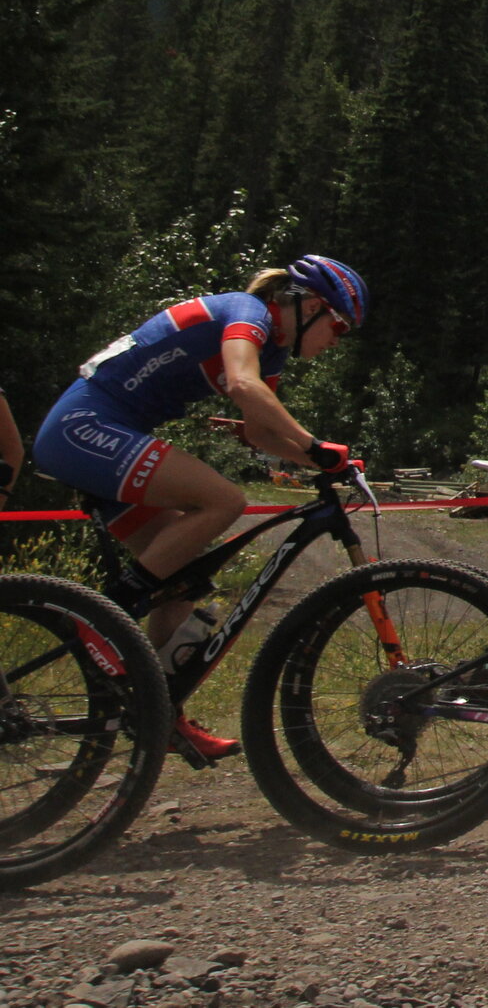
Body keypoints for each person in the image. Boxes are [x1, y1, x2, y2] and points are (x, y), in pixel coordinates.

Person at [31, 255, 369, 761]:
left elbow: (259, 432)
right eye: (338, 327)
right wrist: (312, 443)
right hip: (83, 426)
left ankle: (159, 711)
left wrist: (323, 460)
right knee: (225, 500)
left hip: (103, 433)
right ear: (309, 306)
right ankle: (103, 620)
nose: (336, 341)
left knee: (180, 581)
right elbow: (242, 385)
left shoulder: (272, 350)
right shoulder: (247, 314)